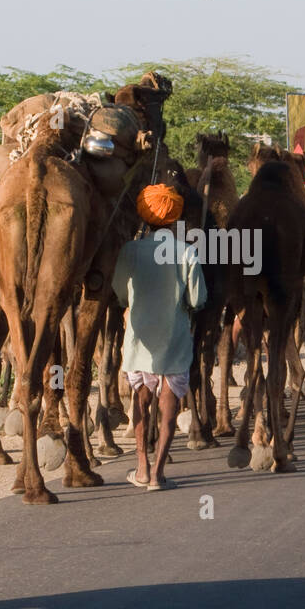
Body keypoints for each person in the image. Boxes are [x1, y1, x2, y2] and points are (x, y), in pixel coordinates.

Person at [111, 183, 206, 491]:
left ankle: (141, 466)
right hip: (174, 342)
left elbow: (119, 294)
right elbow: (198, 298)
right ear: (174, 217)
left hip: (140, 343)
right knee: (168, 408)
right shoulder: (187, 252)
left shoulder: (130, 250)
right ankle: (158, 475)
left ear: (144, 217)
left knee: (140, 403)